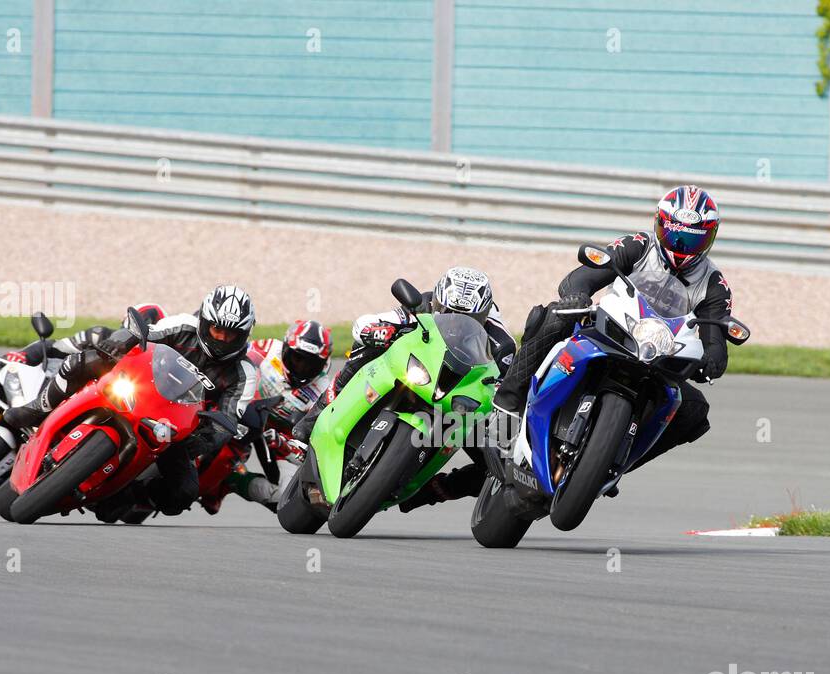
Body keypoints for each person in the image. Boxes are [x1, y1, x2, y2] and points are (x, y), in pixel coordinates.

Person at [490, 185, 733, 470]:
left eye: (691, 240)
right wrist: (578, 294)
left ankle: (615, 461)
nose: (680, 246)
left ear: (710, 238)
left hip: (659, 355)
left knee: (695, 411)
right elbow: (582, 277)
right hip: (607, 330)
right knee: (555, 315)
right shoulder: (638, 245)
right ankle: (507, 402)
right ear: (659, 224)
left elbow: (716, 339)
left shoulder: (714, 283)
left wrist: (713, 360)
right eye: (675, 234)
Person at [4, 285, 257, 517]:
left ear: (245, 334)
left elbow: (229, 418)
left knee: (183, 493)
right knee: (82, 362)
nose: (222, 339)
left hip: (174, 425)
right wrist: (117, 343)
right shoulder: (183, 326)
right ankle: (39, 408)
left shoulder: (245, 373)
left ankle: (132, 493)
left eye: (231, 335)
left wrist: (202, 440)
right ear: (204, 322)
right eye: (217, 330)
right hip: (139, 386)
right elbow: (143, 333)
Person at [293, 267, 516, 512]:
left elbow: (508, 390)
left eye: (468, 318)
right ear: (438, 303)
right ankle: (315, 415)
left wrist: (496, 399)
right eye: (448, 312)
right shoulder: (422, 304)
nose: (454, 321)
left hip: (459, 398)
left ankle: (431, 491)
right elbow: (363, 325)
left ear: (484, 315)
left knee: (501, 459)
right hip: (419, 370)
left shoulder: (502, 343)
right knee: (365, 348)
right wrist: (377, 331)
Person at [0, 321, 123, 437]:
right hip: (51, 380)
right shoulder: (101, 335)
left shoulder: (148, 366)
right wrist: (24, 356)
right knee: (8, 363)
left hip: (92, 404)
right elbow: (54, 346)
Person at [229, 319, 335, 510]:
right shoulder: (267, 349)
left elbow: (318, 436)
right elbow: (233, 363)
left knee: (288, 501)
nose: (301, 368)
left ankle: (236, 481)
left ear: (322, 364)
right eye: (297, 359)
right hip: (244, 414)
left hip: (281, 440)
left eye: (310, 364)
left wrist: (289, 443)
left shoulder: (324, 389)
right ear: (286, 348)